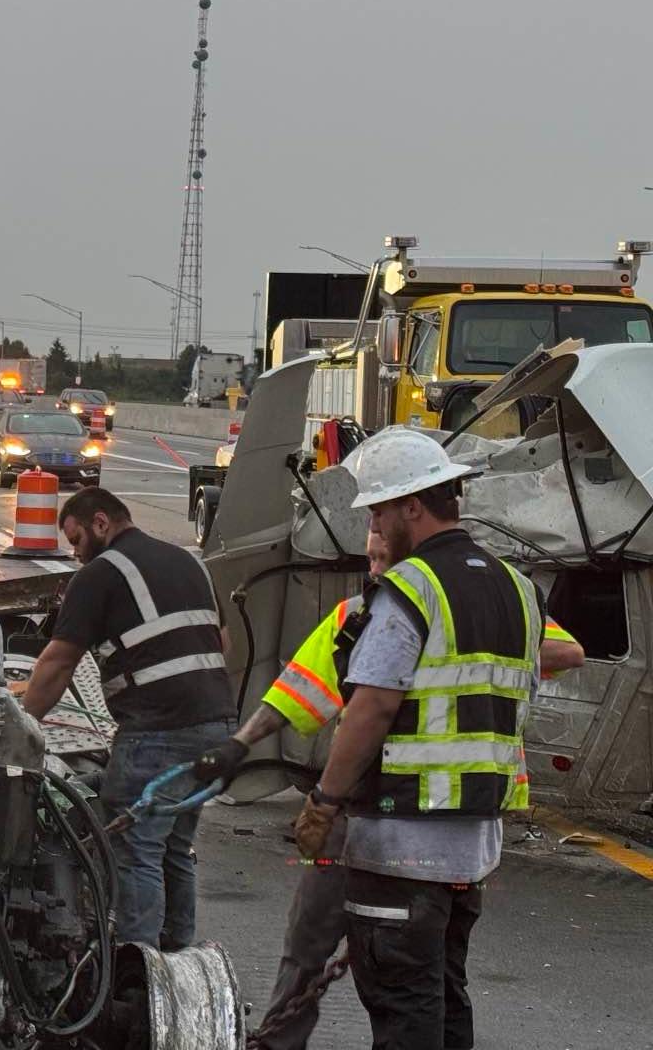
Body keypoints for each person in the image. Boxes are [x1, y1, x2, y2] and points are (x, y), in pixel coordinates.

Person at [194, 528, 582, 1050]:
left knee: (411, 986)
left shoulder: (443, 603)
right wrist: (240, 744)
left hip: (387, 816)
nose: (375, 568)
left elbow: (568, 651)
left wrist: (324, 800)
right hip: (431, 821)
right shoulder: (362, 616)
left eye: (383, 556)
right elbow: (299, 691)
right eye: (370, 559)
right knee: (322, 938)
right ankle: (281, 1039)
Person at [291, 427, 546, 1049]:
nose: (374, 523)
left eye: (379, 508)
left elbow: (373, 706)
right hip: (474, 842)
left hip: (402, 840)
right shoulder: (518, 588)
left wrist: (325, 800)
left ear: (414, 504)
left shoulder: (409, 589)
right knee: (443, 996)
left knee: (403, 1006)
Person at [9, 487, 237, 950]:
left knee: (136, 852)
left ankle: (140, 968)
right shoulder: (191, 562)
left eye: (75, 541)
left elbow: (57, 664)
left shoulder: (99, 576)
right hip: (217, 729)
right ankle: (178, 956)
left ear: (100, 523)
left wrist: (18, 726)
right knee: (173, 846)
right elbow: (224, 646)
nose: (75, 554)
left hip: (159, 732)